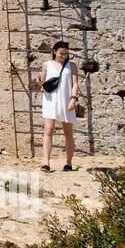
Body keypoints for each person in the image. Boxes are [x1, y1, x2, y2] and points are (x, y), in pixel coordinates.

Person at [38, 40, 78, 171]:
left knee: (68, 133)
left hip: (66, 100)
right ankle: (46, 162)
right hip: (51, 100)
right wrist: (39, 81)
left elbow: (75, 84)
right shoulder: (46, 64)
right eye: (61, 53)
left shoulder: (71, 66)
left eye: (66, 53)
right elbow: (43, 83)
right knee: (48, 130)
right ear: (54, 52)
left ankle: (69, 163)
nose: (63, 56)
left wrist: (73, 99)